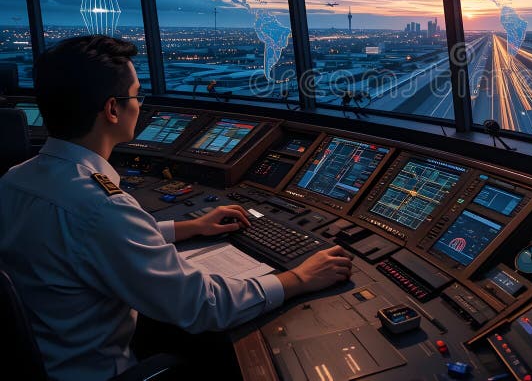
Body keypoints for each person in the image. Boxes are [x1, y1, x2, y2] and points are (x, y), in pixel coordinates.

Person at [0, 35, 353, 381]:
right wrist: (298, 279)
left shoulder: (15, 180)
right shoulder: (100, 208)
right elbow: (203, 306)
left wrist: (188, 227)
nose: (140, 104)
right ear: (112, 109)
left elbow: (83, 243)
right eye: (136, 96)